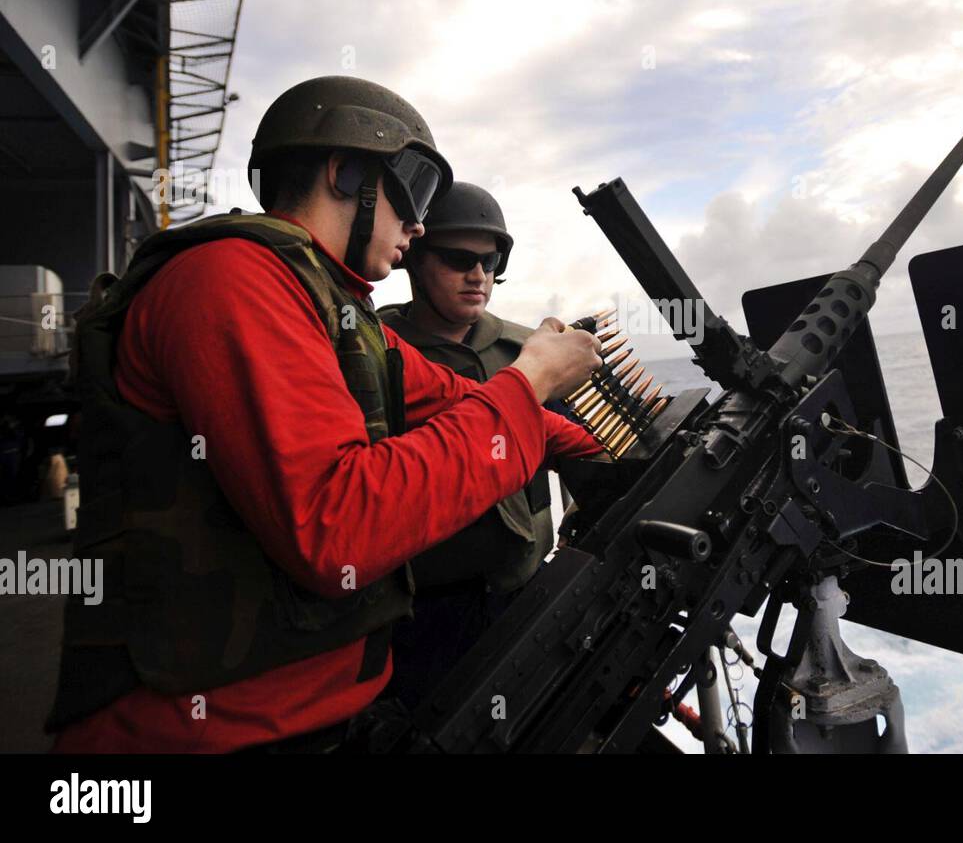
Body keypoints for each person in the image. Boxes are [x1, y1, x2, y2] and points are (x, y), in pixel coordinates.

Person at [46, 76, 602, 752]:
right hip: (200, 734)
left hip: (311, 713)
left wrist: (600, 455)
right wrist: (533, 375)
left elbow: (448, 395)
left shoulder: (332, 306)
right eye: (415, 189)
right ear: (345, 173)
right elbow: (337, 525)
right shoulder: (232, 280)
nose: (419, 224)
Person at [379, 182, 567, 707]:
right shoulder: (375, 352)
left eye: (489, 261)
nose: (478, 275)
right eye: (459, 259)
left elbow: (590, 461)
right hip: (418, 614)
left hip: (526, 593)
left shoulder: (531, 351)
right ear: (414, 260)